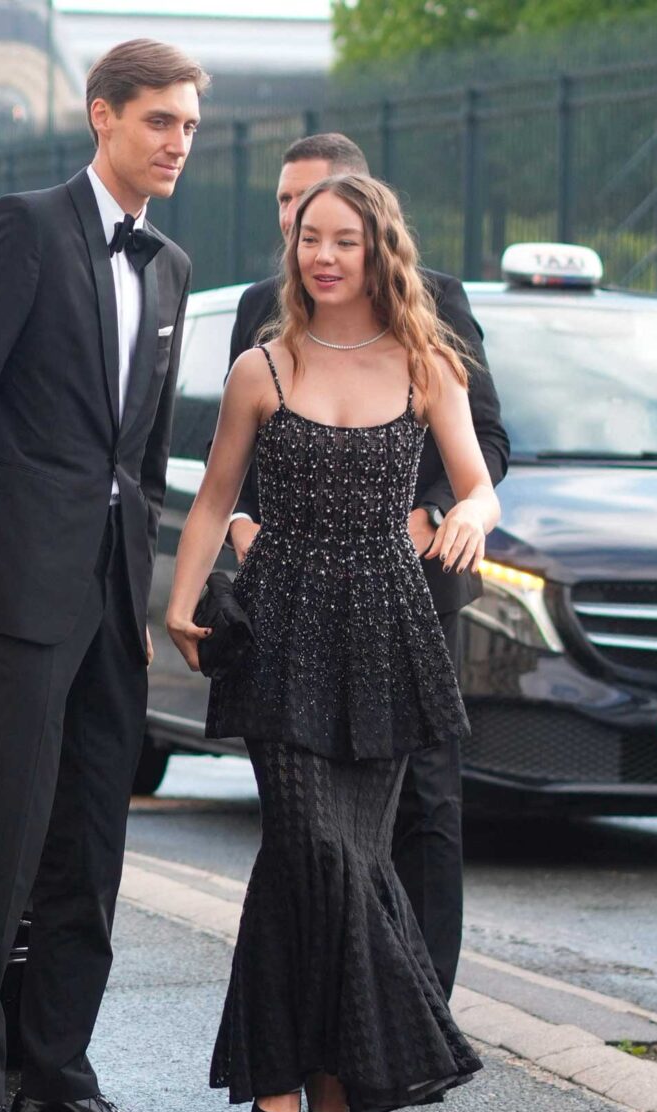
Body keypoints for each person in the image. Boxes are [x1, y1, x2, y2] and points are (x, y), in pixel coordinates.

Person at [0, 40, 209, 1112]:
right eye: (159, 120)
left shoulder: (170, 267)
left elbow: (145, 450)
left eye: (188, 125)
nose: (177, 142)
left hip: (112, 595)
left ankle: (60, 1080)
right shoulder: (25, 228)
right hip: (18, 589)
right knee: (11, 837)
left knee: (92, 845)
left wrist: (149, 580)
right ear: (101, 116)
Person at [167, 173, 497, 1112]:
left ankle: (310, 1066)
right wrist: (182, 603)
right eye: (311, 237)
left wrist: (468, 516)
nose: (323, 255)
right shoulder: (260, 369)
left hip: (389, 627)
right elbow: (213, 497)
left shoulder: (429, 363)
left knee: (343, 852)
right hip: (282, 623)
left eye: (344, 240)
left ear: (378, 249)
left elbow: (478, 483)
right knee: (312, 840)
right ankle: (350, 1058)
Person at [225, 133, 509, 1001]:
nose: (298, 227)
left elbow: (485, 443)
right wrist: (241, 523)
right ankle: (331, 1014)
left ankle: (420, 1006)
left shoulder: (436, 305)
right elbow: (236, 455)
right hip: (294, 596)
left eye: (315, 209)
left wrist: (436, 513)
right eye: (286, 207)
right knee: (308, 823)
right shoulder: (262, 309)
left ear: (367, 218)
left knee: (424, 805)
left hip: (407, 590)